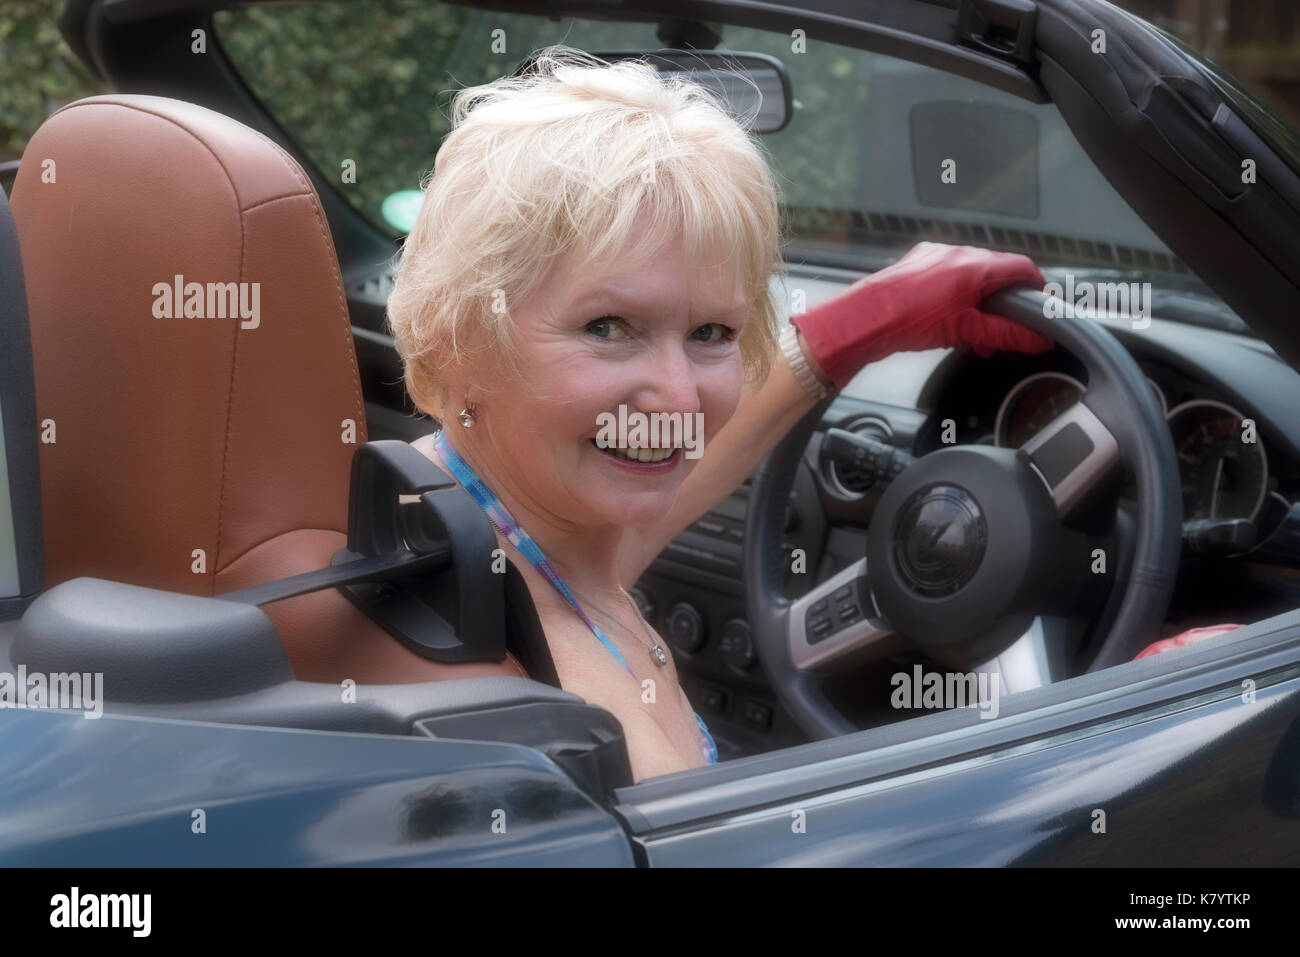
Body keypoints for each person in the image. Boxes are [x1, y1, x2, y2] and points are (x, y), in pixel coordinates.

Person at [387, 45, 1053, 783]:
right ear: (457, 339)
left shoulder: (466, 517)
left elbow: (629, 525)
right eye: (608, 327)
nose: (679, 400)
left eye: (711, 332)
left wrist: (866, 322)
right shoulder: (550, 717)